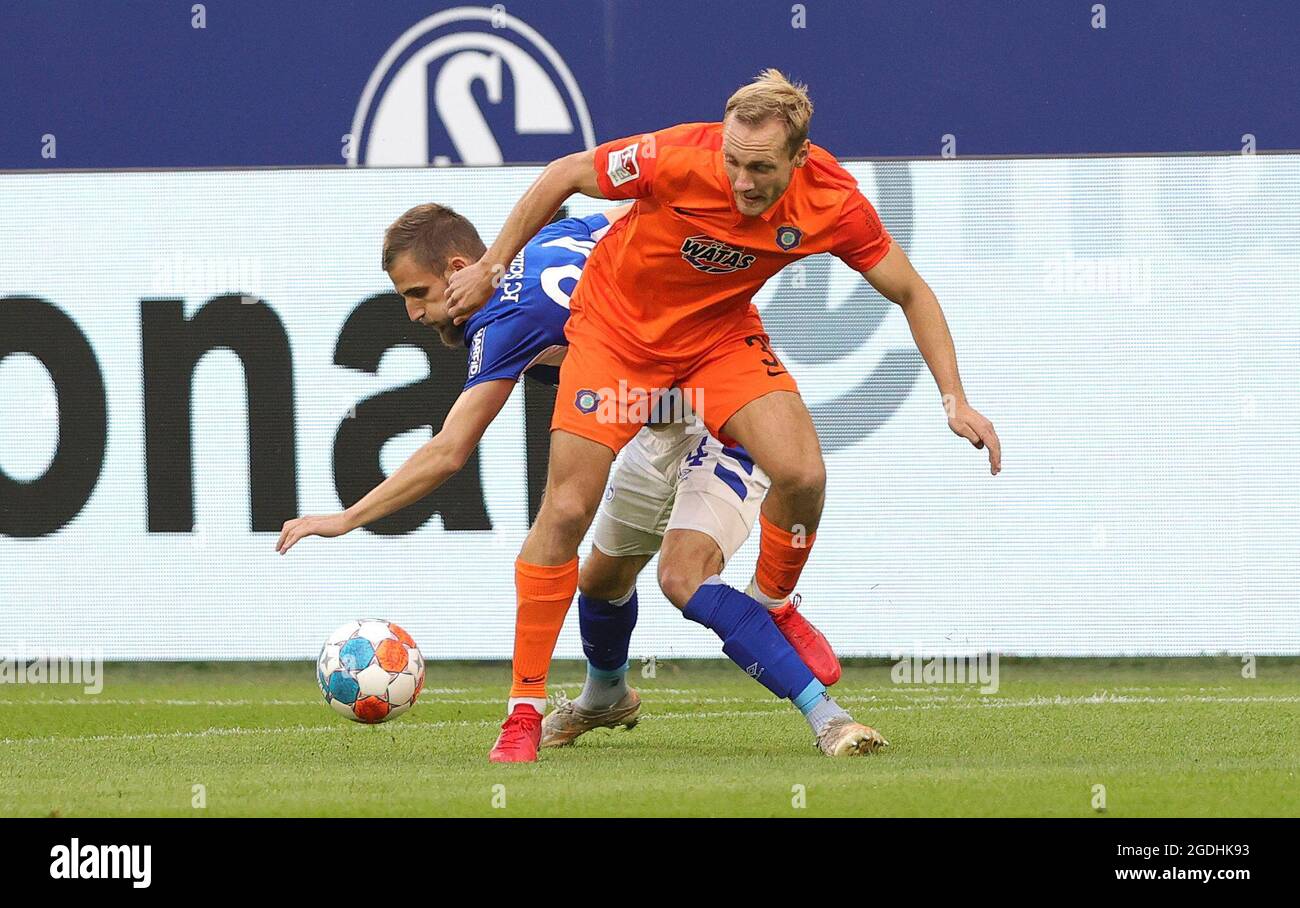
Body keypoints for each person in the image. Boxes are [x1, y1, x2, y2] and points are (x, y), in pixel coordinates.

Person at [446, 69, 1001, 762]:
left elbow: (911, 292)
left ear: (799, 159)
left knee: (802, 471)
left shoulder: (833, 201)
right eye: (733, 162)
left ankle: (772, 602)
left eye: (760, 167)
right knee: (564, 511)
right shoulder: (677, 155)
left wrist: (955, 398)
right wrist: (495, 265)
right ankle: (523, 713)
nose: (740, 180)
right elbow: (565, 173)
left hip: (716, 340)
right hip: (616, 336)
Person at [276, 200, 844, 761]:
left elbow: (449, 451)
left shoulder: (505, 321)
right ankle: (606, 696)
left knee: (681, 575)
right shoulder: (551, 238)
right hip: (655, 421)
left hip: (721, 415)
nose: (413, 314)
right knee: (599, 582)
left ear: (457, 271)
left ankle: (826, 713)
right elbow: (626, 218)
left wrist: (346, 518)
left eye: (416, 294)